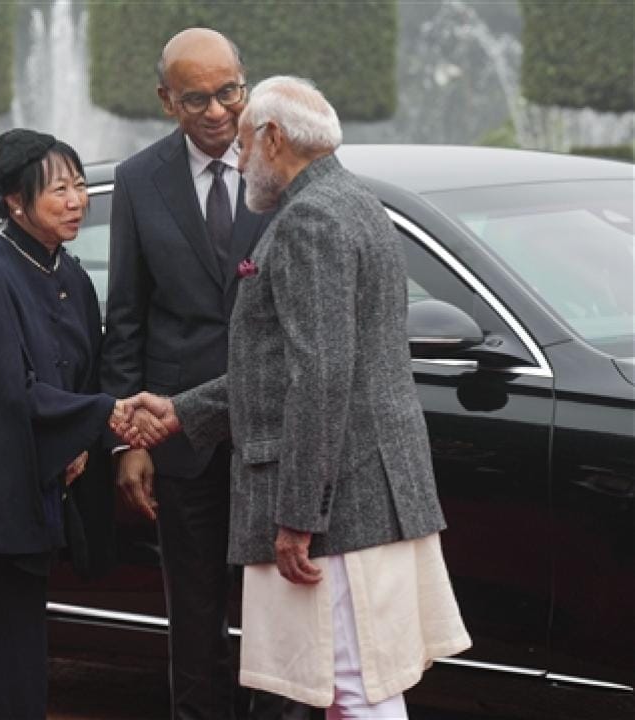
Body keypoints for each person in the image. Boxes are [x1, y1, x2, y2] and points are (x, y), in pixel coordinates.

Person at [127, 76, 473, 719]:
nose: (238, 161)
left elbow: (320, 376)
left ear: (272, 138)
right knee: (354, 686)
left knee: (351, 686)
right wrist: (181, 412)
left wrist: (299, 518)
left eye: (243, 145)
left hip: (339, 506)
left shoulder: (309, 219)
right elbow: (291, 368)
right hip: (363, 491)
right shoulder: (353, 201)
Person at [101, 28, 310, 720]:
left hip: (273, 432)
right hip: (179, 435)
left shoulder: (282, 162)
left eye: (229, 91)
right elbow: (126, 316)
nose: (218, 111)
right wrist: (130, 443)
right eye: (198, 99)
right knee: (193, 616)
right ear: (167, 100)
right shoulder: (139, 180)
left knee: (281, 612)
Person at [0, 128, 132, 720]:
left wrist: (83, 436)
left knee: (20, 671)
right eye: (59, 190)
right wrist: (96, 418)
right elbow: (2, 395)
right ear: (15, 200)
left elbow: (82, 375)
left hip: (36, 501)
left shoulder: (70, 275)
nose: (76, 201)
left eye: (80, 186)